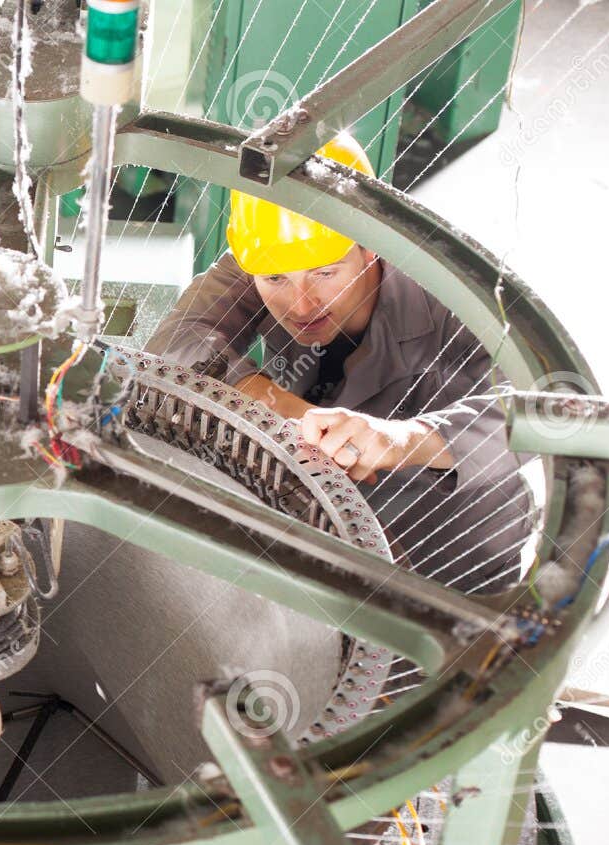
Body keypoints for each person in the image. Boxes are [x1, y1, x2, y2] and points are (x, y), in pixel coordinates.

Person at [145, 134, 533, 594]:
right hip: (331, 538)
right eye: (276, 282)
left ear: (372, 245)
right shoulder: (270, 252)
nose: (302, 304)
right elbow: (177, 340)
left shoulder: (459, 291)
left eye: (326, 274)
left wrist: (401, 439)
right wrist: (281, 407)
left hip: (452, 551)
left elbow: (545, 413)